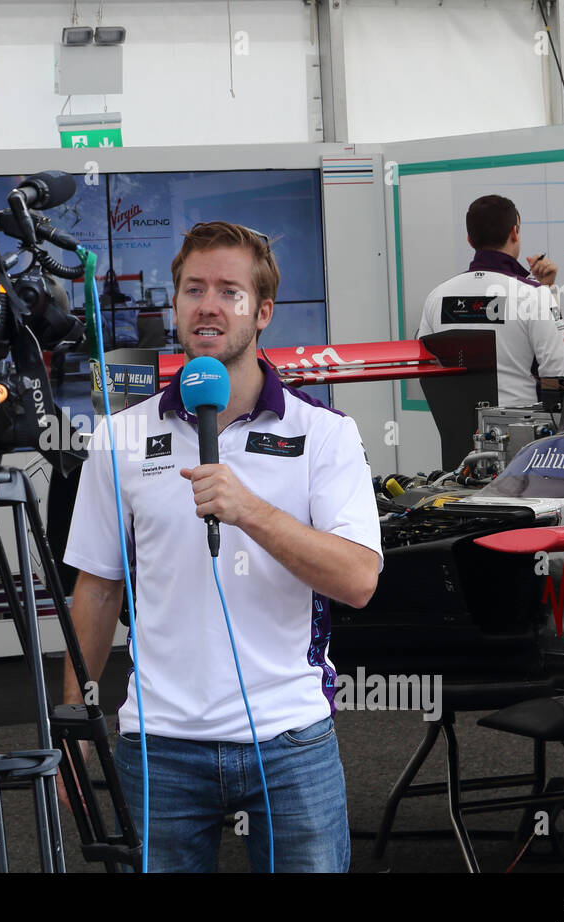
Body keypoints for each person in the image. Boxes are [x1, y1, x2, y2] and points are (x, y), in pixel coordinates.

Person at [60, 221, 382, 872]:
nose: (208, 304)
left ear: (262, 312)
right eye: (192, 288)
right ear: (174, 306)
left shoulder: (324, 434)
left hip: (289, 741)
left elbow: (357, 579)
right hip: (160, 746)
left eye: (229, 290)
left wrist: (250, 511)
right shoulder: (120, 437)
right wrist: (72, 730)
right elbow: (96, 590)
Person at [417, 194, 564, 408]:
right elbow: (560, 372)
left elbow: (426, 366)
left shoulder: (437, 296)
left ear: (470, 240)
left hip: (457, 433)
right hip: (523, 433)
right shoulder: (534, 295)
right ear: (514, 233)